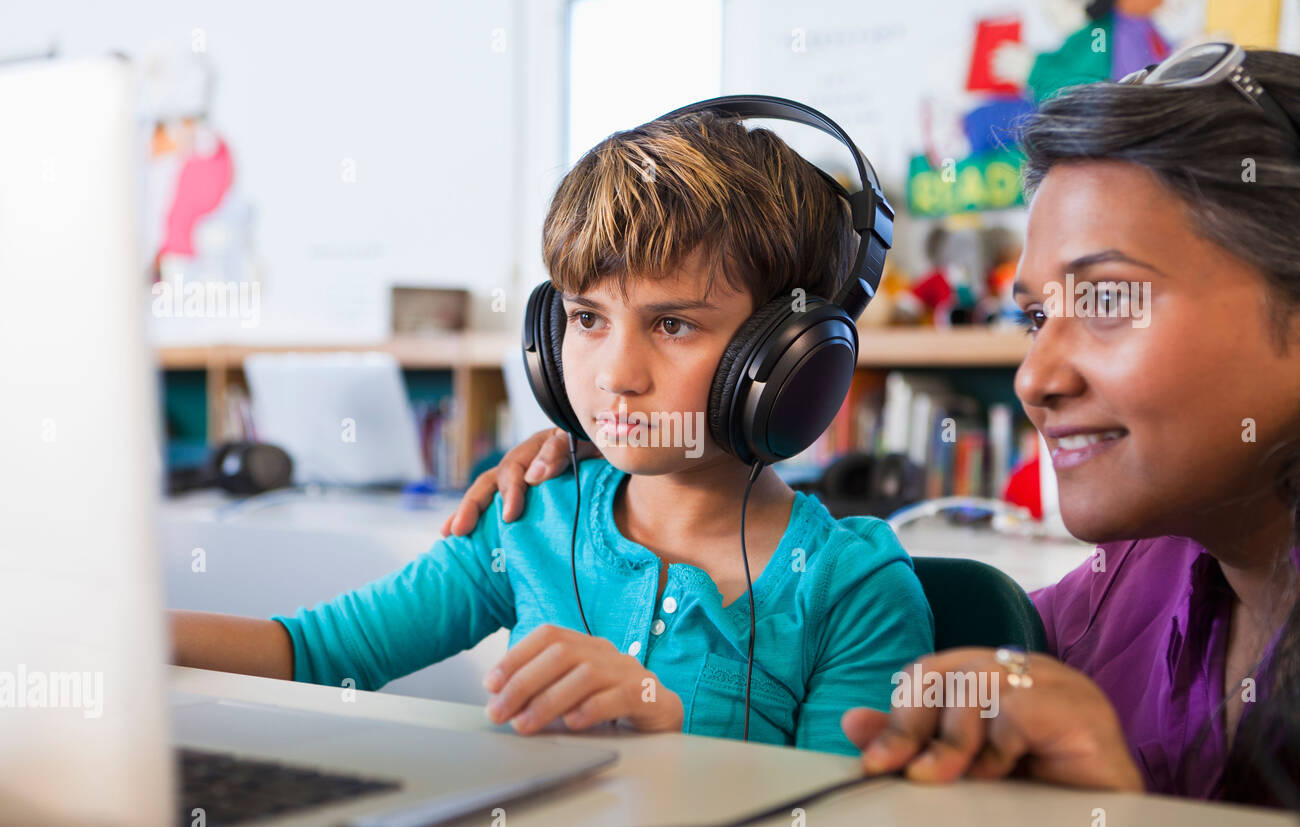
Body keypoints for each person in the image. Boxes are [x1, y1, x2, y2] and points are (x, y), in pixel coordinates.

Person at [458, 48, 1300, 807]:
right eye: (1038, 316)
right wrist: (621, 458)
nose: (1035, 379)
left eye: (1109, 299)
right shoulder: (1115, 600)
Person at [171, 108, 934, 756]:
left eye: (673, 324)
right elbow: (317, 654)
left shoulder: (853, 589)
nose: (614, 373)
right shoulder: (533, 515)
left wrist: (668, 744)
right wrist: (116, 632)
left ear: (788, 359)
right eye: (587, 319)